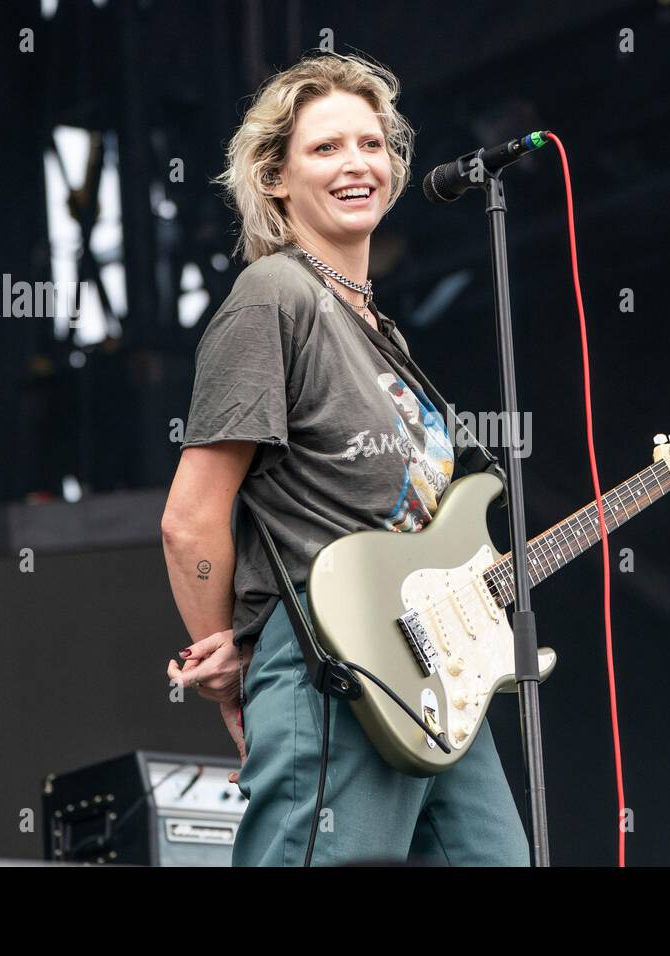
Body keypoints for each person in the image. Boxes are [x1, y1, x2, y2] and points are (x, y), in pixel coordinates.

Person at [159, 52, 529, 867]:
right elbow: (191, 517)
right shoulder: (275, 295)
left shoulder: (384, 337)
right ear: (274, 179)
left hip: (430, 674)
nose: (356, 163)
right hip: (330, 656)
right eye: (325, 148)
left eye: (372, 144)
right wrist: (229, 654)